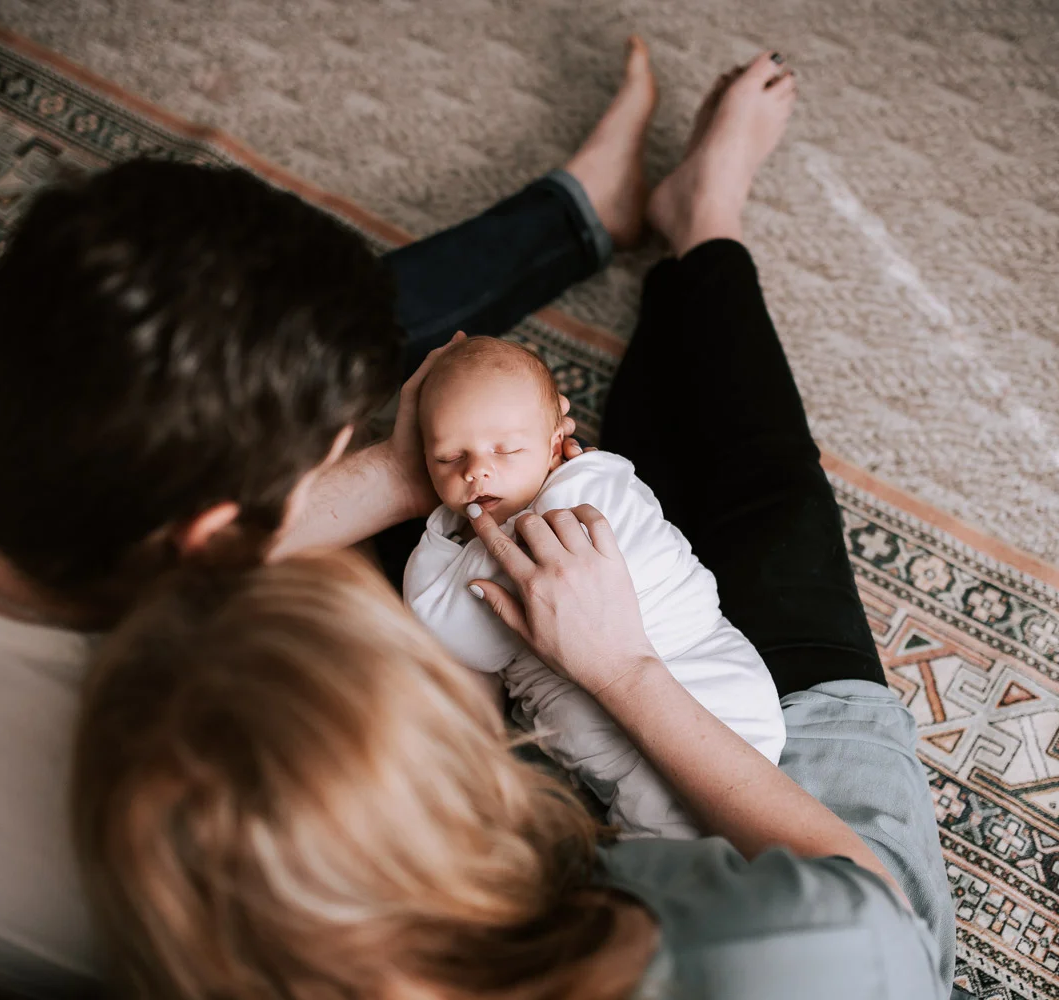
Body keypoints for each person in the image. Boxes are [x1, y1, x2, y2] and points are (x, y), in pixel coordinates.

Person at [73, 49, 956, 1000]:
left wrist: (406, 481)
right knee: (767, 495)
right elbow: (859, 906)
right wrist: (621, 667)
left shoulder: (294, 923)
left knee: (507, 479)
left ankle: (629, 224)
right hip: (802, 790)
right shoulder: (820, 959)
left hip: (591, 797)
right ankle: (702, 221)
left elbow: (142, 549)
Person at [0, 34, 658, 997]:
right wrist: (398, 480)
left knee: (249, 341)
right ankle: (583, 216)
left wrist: (393, 467)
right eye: (321, 467)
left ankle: (582, 212)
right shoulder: (187, 810)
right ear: (210, 544)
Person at [402, 335, 786, 840]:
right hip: (735, 698)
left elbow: (449, 627)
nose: (477, 470)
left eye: (506, 449)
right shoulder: (598, 472)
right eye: (448, 457)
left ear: (554, 445)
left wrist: (443, 538)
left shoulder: (573, 505)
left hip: (696, 671)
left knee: (670, 838)